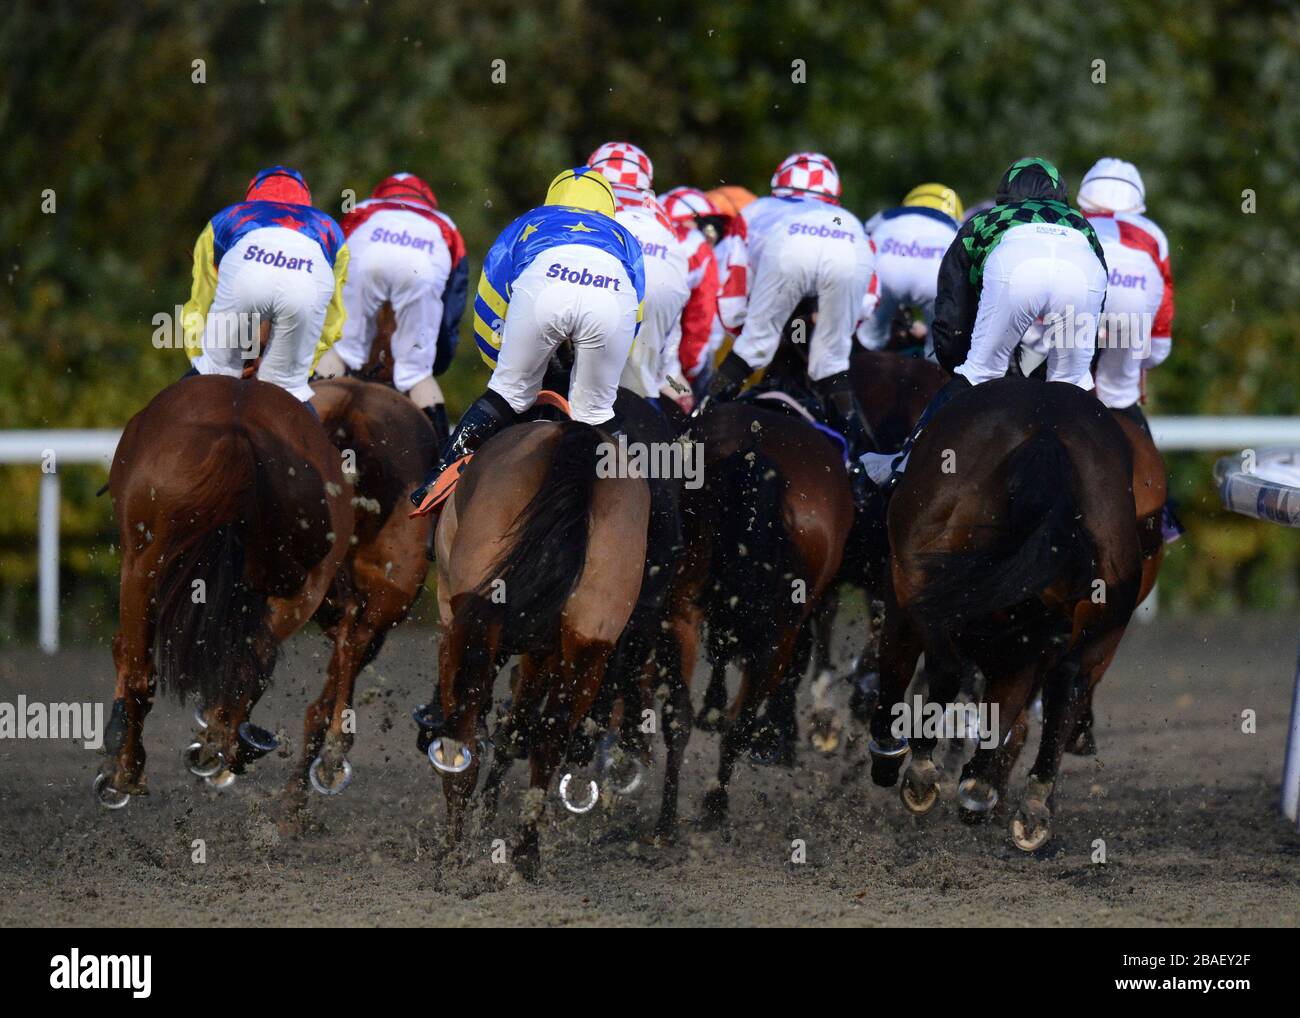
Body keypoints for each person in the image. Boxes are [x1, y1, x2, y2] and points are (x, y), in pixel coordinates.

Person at [860, 156, 1108, 487]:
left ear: (1006, 193)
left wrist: (953, 360)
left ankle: (904, 464)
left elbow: (951, 307)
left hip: (1016, 266)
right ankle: (1106, 476)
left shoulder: (985, 220)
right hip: (1082, 272)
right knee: (1073, 385)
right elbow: (1099, 295)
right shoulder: (1081, 224)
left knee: (977, 373)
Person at [410, 166, 645, 510]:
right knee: (596, 413)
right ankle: (650, 503)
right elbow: (634, 317)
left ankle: (436, 481)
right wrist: (594, 381)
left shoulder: (531, 220)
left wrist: (505, 372)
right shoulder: (623, 235)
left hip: (543, 288)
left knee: (507, 393)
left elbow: (490, 299)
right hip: (611, 298)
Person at [705, 152, 877, 499]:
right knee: (831, 363)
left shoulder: (758, 210)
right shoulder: (850, 219)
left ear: (779, 184)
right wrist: (830, 330)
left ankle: (697, 423)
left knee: (754, 347)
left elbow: (731, 287)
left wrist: (748, 327)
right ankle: (858, 466)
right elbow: (869, 301)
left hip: (787, 249)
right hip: (847, 250)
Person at [315, 172, 468, 438]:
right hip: (420, 267)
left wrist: (323, 339)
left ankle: (302, 424)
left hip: (368, 256)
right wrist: (437, 359)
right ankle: (441, 467)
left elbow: (330, 273)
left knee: (342, 352)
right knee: (416, 373)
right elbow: (453, 303)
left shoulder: (361, 209)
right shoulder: (446, 224)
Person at [183, 166, 348, 403]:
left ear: (251, 199)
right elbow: (333, 318)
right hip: (304, 289)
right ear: (306, 202)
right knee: (287, 396)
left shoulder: (230, 216)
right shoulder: (330, 227)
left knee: (211, 376)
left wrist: (202, 361)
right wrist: (298, 371)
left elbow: (201, 302)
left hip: (246, 281)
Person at [586, 144, 692, 411]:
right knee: (660, 384)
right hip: (661, 339)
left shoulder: (587, 201)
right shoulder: (663, 217)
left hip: (604, 296)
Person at [1076, 157, 1174, 425]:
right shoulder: (1154, 234)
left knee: (1059, 384)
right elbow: (1164, 307)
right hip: (1132, 313)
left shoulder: (1070, 224)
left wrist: (1037, 339)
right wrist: (1153, 353)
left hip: (1078, 310)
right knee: (1119, 396)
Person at [855, 183, 963, 358]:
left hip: (887, 270)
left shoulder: (887, 216)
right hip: (934, 278)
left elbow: (859, 237)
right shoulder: (959, 225)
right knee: (940, 353)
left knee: (868, 341)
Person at [658, 186, 722, 395]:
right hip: (663, 365)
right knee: (689, 411)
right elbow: (700, 322)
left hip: (607, 345)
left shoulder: (637, 225)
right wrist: (690, 369)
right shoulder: (697, 247)